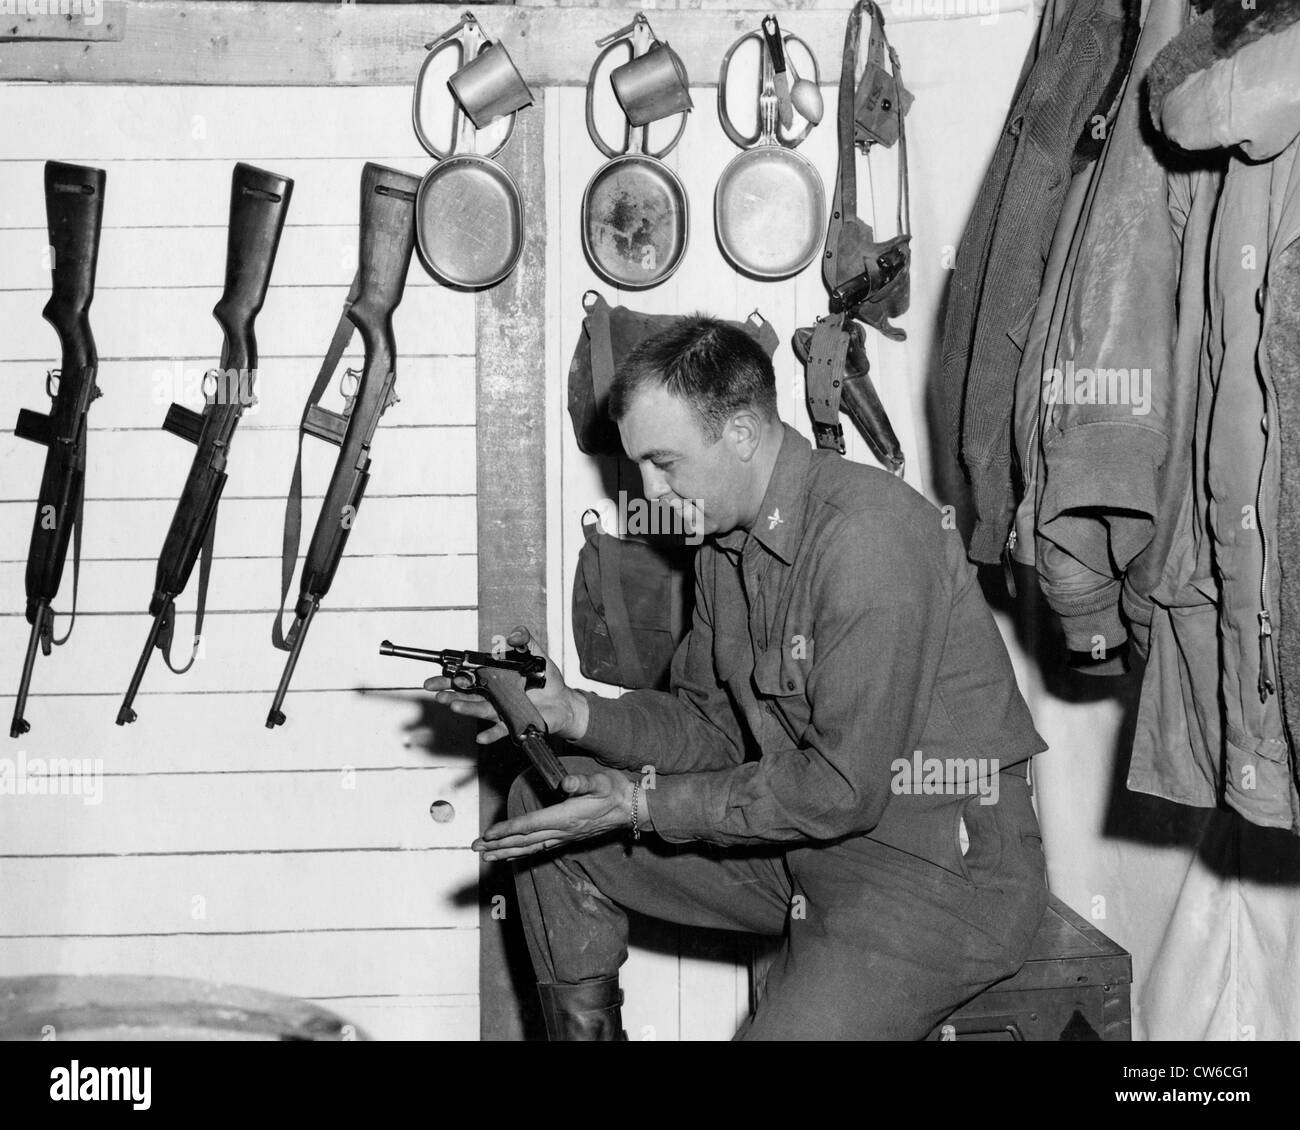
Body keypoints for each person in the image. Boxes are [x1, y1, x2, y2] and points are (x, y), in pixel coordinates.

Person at [429, 316, 1050, 1040]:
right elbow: (709, 730)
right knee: (541, 798)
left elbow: (841, 791)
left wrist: (640, 806)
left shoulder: (868, 537)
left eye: (666, 463)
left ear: (744, 435)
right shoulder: (724, 544)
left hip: (934, 876)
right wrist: (574, 715)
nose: (651, 492)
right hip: (804, 853)